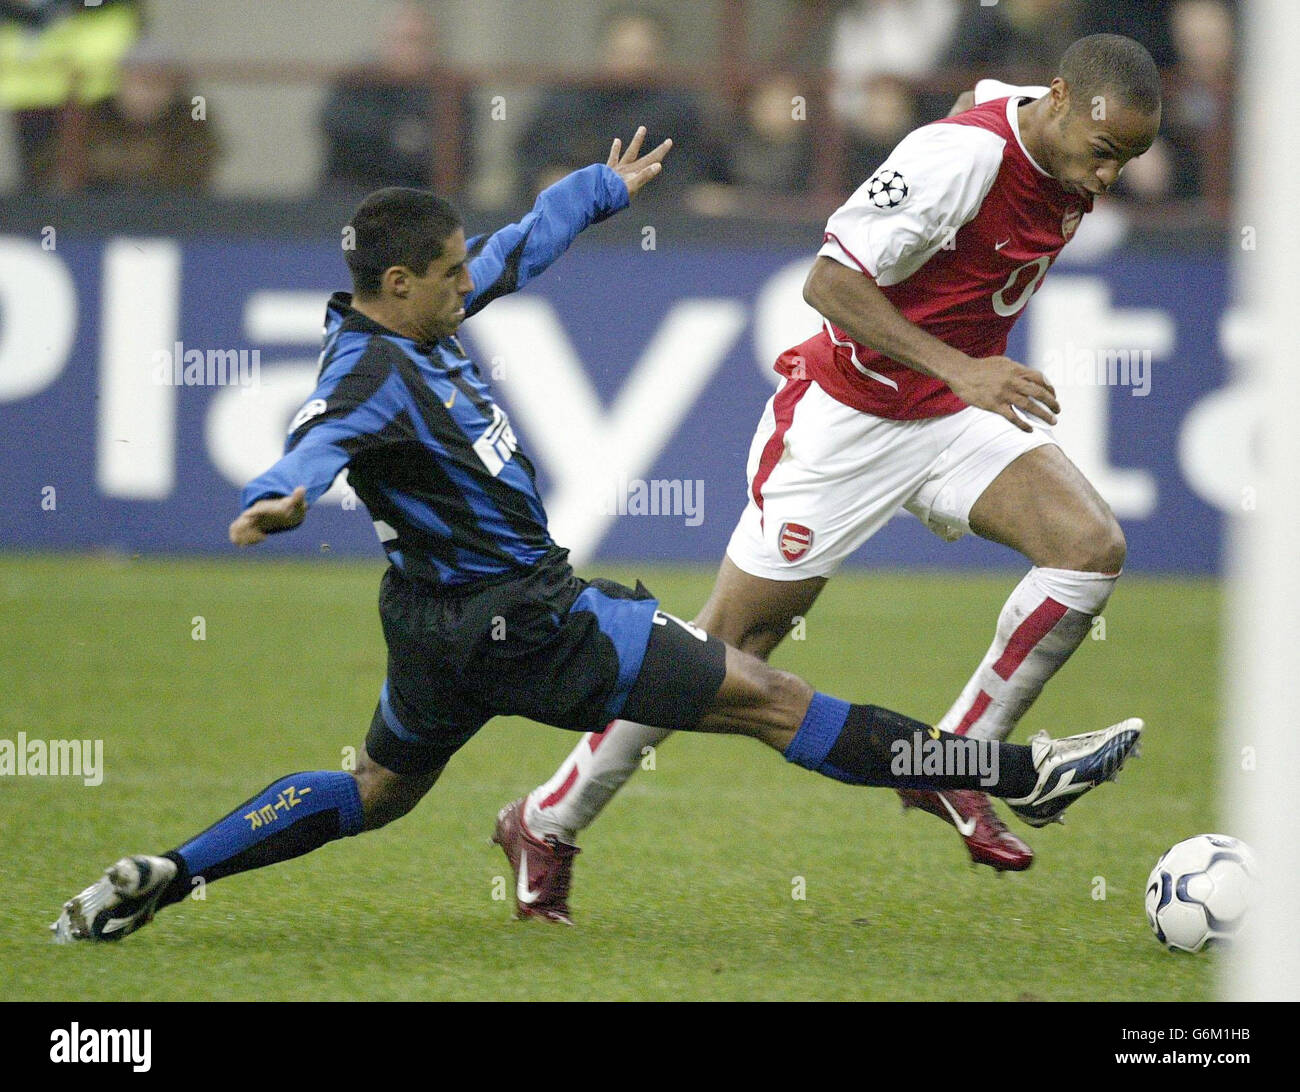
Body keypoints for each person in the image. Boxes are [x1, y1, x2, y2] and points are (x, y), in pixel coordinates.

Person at [50, 127, 1141, 943]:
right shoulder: (367, 378)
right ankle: (1010, 770)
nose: (468, 280)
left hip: (432, 628)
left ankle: (168, 870)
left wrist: (599, 191)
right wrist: (280, 497)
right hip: (529, 620)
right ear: (399, 285)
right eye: (449, 274)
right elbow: (314, 444)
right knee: (769, 701)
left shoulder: (413, 319)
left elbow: (520, 248)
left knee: (375, 795)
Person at [497, 34, 1162, 923]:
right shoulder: (960, 157)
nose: (1108, 177)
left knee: (1088, 548)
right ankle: (547, 819)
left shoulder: (1058, 141)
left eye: (1127, 161)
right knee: (724, 659)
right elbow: (827, 282)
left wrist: (959, 381)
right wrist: (963, 368)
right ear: (1062, 99)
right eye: (1104, 152)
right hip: (845, 426)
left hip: (947, 417)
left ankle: (958, 763)